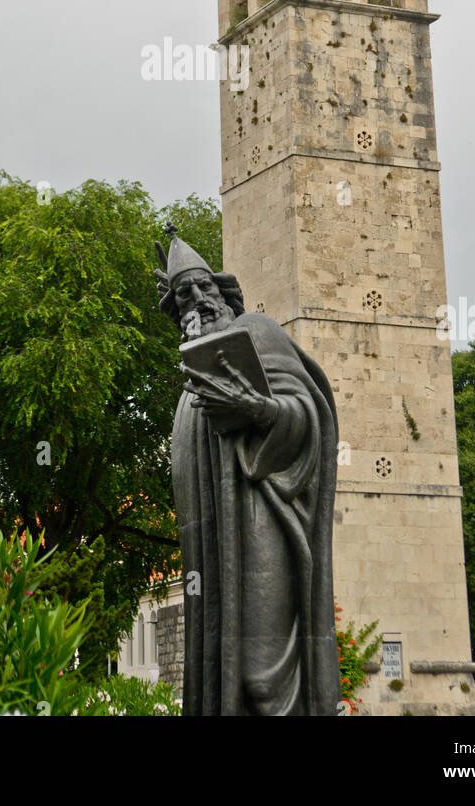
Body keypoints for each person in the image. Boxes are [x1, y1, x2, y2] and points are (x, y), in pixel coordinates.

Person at [155, 225, 340, 716]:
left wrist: (256, 409)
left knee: (260, 674)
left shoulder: (257, 331)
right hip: (215, 546)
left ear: (225, 292)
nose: (198, 299)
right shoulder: (188, 389)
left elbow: (307, 412)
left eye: (205, 287)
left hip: (265, 519)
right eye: (184, 294)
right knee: (222, 672)